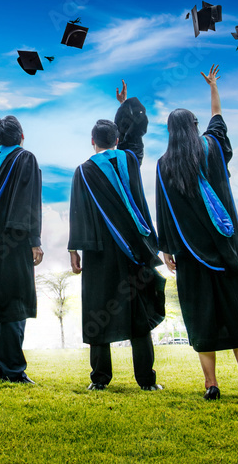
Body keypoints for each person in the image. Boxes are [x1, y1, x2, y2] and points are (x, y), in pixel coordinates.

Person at [156, 66, 238, 401]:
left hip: (192, 255)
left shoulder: (163, 164)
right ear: (195, 127)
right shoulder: (212, 148)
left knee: (202, 316)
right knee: (237, 314)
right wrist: (213, 87)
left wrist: (167, 249)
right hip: (228, 250)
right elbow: (218, 116)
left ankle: (211, 384)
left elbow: (163, 210)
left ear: (169, 132)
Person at [68, 81, 166, 391]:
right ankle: (146, 380)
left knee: (99, 309)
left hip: (98, 251)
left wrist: (75, 250)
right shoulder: (130, 161)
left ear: (92, 141)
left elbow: (78, 212)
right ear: (117, 140)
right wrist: (124, 106)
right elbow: (135, 138)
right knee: (136, 310)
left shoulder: (83, 171)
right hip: (133, 249)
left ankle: (100, 380)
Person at [0, 95, 43, 384]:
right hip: (13, 240)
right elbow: (28, 202)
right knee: (13, 302)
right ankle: (13, 369)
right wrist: (34, 239)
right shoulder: (25, 157)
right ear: (22, 137)